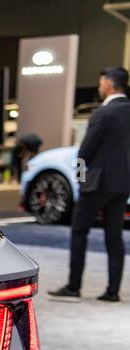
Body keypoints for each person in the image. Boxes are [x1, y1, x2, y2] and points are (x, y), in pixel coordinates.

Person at [50, 66, 130, 303]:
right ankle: (112, 291)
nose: (99, 86)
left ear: (109, 84)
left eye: (101, 81)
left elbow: (85, 152)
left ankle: (73, 288)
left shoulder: (102, 114)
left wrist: (81, 181)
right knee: (114, 236)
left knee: (79, 231)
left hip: (96, 184)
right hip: (123, 184)